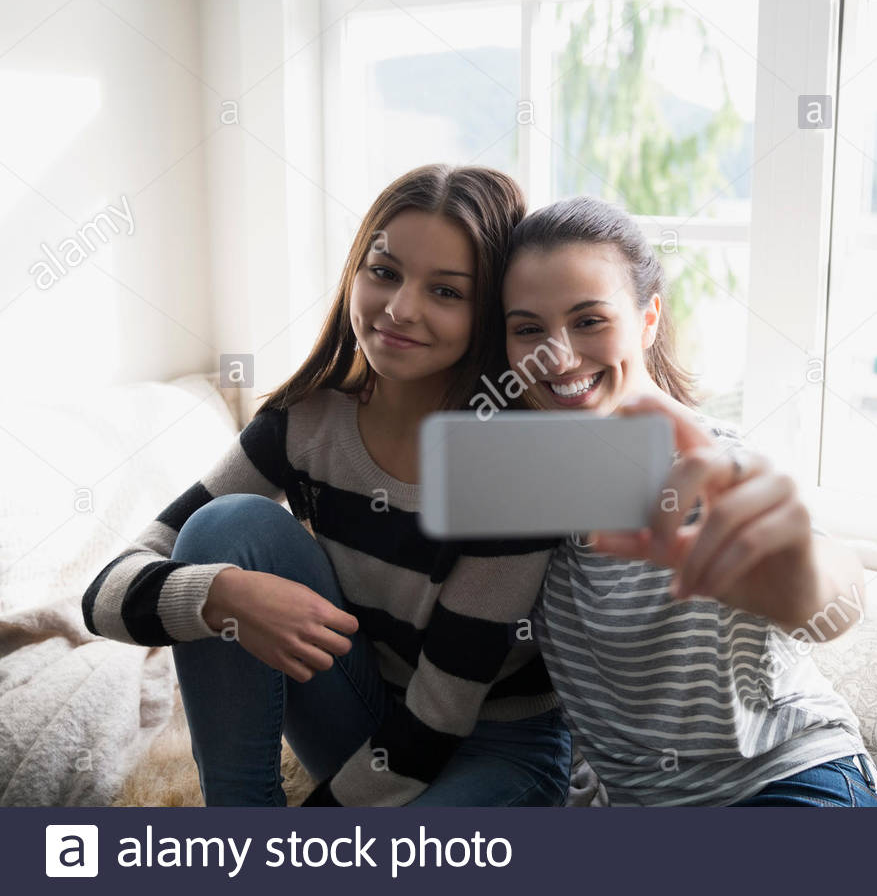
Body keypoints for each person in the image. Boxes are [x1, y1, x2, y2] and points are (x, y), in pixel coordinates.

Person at [81, 165, 571, 807]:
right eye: (385, 271)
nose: (399, 309)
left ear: (492, 312)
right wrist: (223, 594)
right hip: (362, 712)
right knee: (224, 529)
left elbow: (437, 722)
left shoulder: (511, 468)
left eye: (447, 292)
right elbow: (102, 597)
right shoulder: (306, 420)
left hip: (493, 745)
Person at [496, 195, 877, 807]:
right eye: (529, 330)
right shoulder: (519, 482)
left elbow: (832, 594)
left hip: (788, 784)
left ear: (649, 317)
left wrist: (801, 579)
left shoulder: (714, 466)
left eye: (590, 320)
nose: (561, 355)